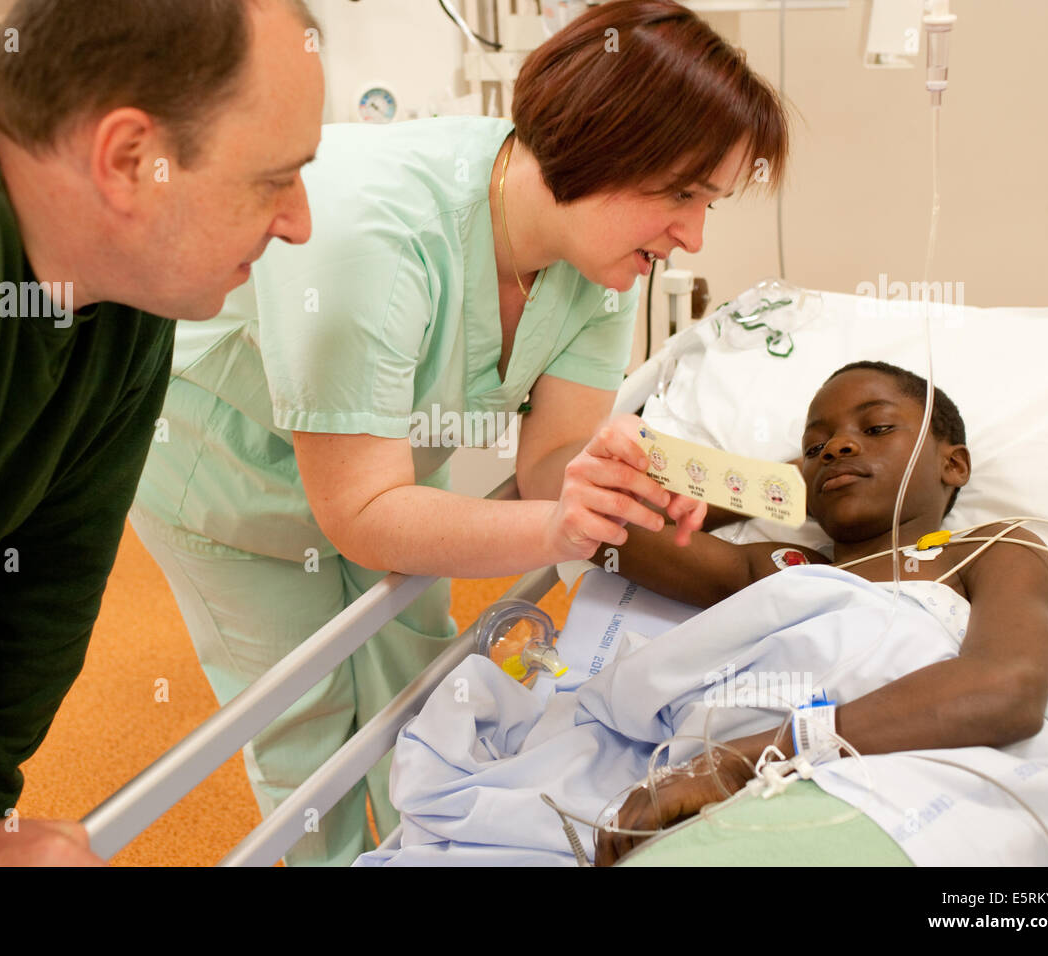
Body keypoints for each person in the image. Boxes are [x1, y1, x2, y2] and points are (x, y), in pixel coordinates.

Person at [130, 0, 789, 865]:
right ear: (599, 142)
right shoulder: (372, 236)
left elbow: (553, 459)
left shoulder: (602, 267)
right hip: (222, 475)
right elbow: (360, 511)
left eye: (711, 203)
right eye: (681, 195)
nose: (693, 236)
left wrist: (615, 484)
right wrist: (561, 528)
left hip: (390, 469)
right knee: (306, 720)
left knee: (417, 680)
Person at [0, 0, 322, 866]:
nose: (299, 221)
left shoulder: (119, 292)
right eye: (276, 176)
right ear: (131, 162)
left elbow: (45, 578)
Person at [593, 361, 1048, 864]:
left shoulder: (987, 550)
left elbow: (1009, 690)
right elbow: (602, 527)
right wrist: (776, 483)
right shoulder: (786, 569)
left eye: (876, 428)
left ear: (954, 465)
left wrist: (737, 761)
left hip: (896, 792)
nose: (837, 447)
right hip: (751, 805)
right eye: (816, 448)